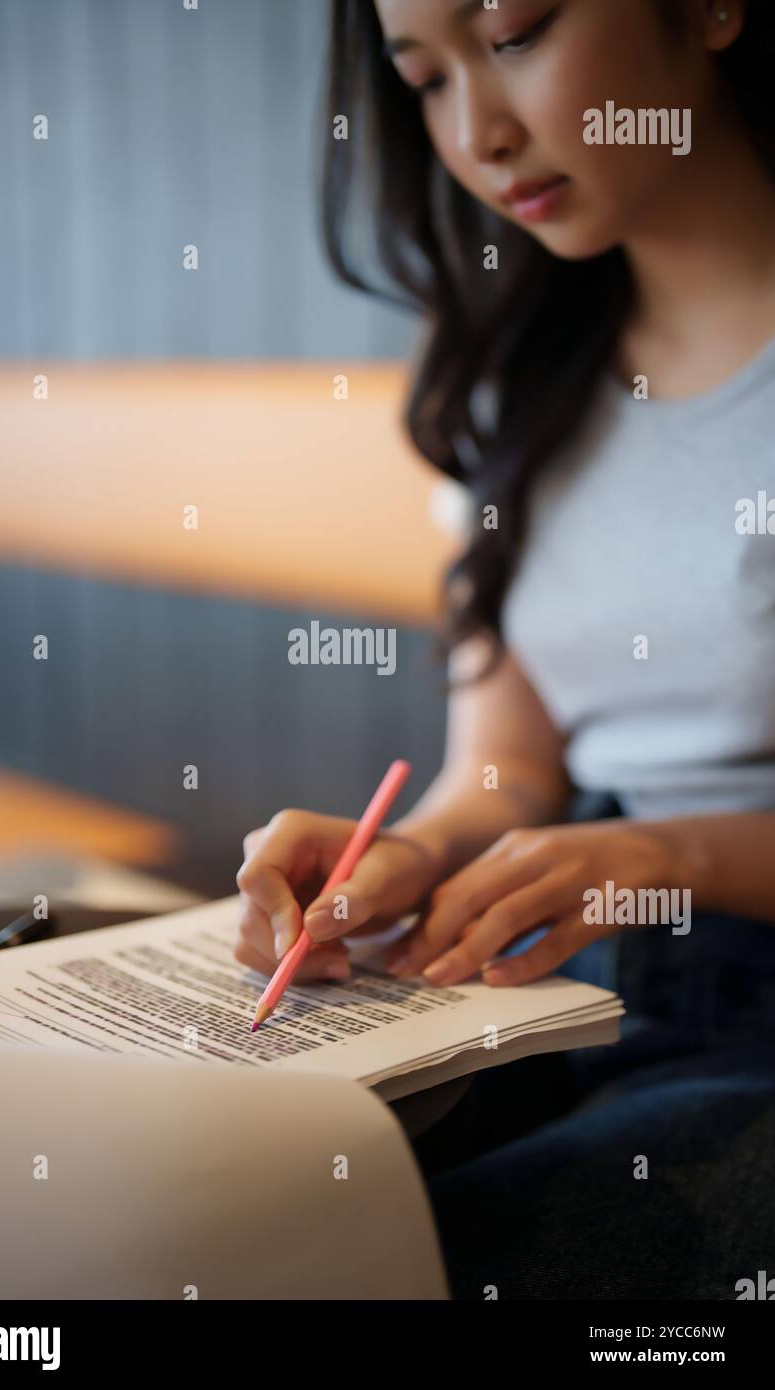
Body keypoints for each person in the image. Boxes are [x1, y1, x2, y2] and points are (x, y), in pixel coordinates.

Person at [234, 0, 775, 1298]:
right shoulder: (508, 371)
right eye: (423, 77)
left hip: (744, 1003)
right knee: (236, 1204)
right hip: (557, 978)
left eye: (516, 32)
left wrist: (665, 854)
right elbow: (508, 775)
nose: (476, 131)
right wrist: (402, 860)